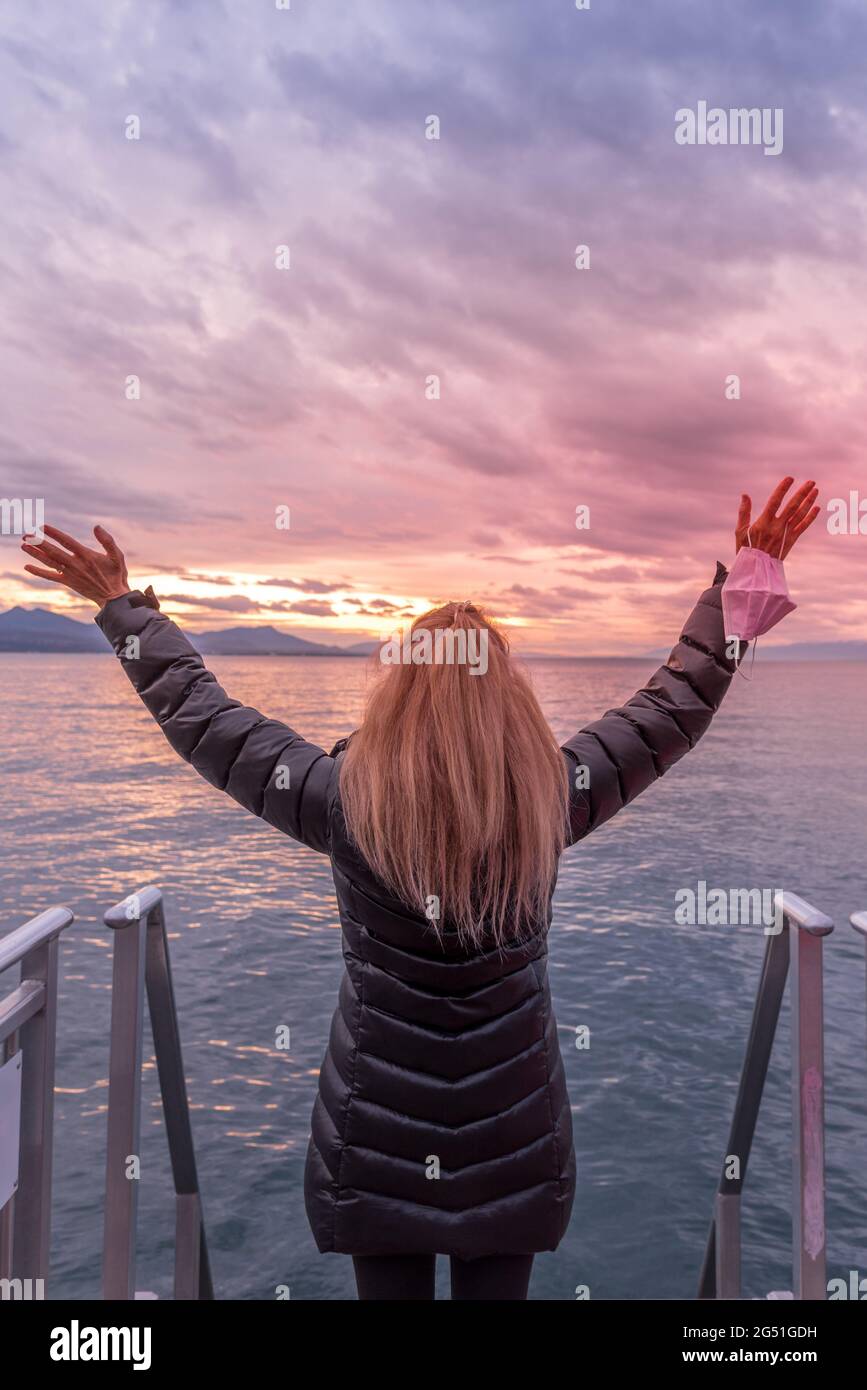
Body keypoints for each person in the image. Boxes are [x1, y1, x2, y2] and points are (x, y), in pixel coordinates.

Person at [21, 477, 819, 1300]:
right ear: (507, 703)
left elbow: (203, 714)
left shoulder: (339, 799)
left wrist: (121, 605)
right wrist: (741, 585)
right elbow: (674, 704)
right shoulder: (551, 797)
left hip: (374, 1132)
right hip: (516, 1132)